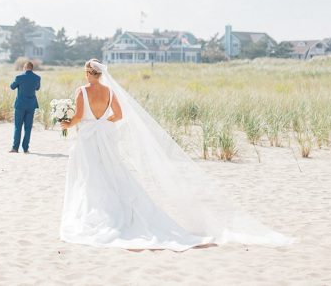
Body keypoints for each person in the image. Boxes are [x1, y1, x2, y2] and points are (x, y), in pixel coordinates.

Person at [58, 59, 291, 250]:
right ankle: (115, 212)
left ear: (89, 74)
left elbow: (78, 116)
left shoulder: (82, 91)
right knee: (112, 172)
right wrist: (101, 122)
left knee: (90, 175)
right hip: (105, 137)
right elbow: (118, 116)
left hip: (88, 138)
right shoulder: (109, 91)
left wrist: (67, 124)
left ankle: (97, 215)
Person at [9, 60, 40, 153]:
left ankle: (15, 148)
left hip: (20, 105)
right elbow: (37, 88)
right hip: (31, 105)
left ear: (25, 68)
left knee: (18, 127)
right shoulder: (37, 77)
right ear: (32, 68)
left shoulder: (19, 77)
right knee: (28, 127)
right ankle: (25, 148)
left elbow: (12, 87)